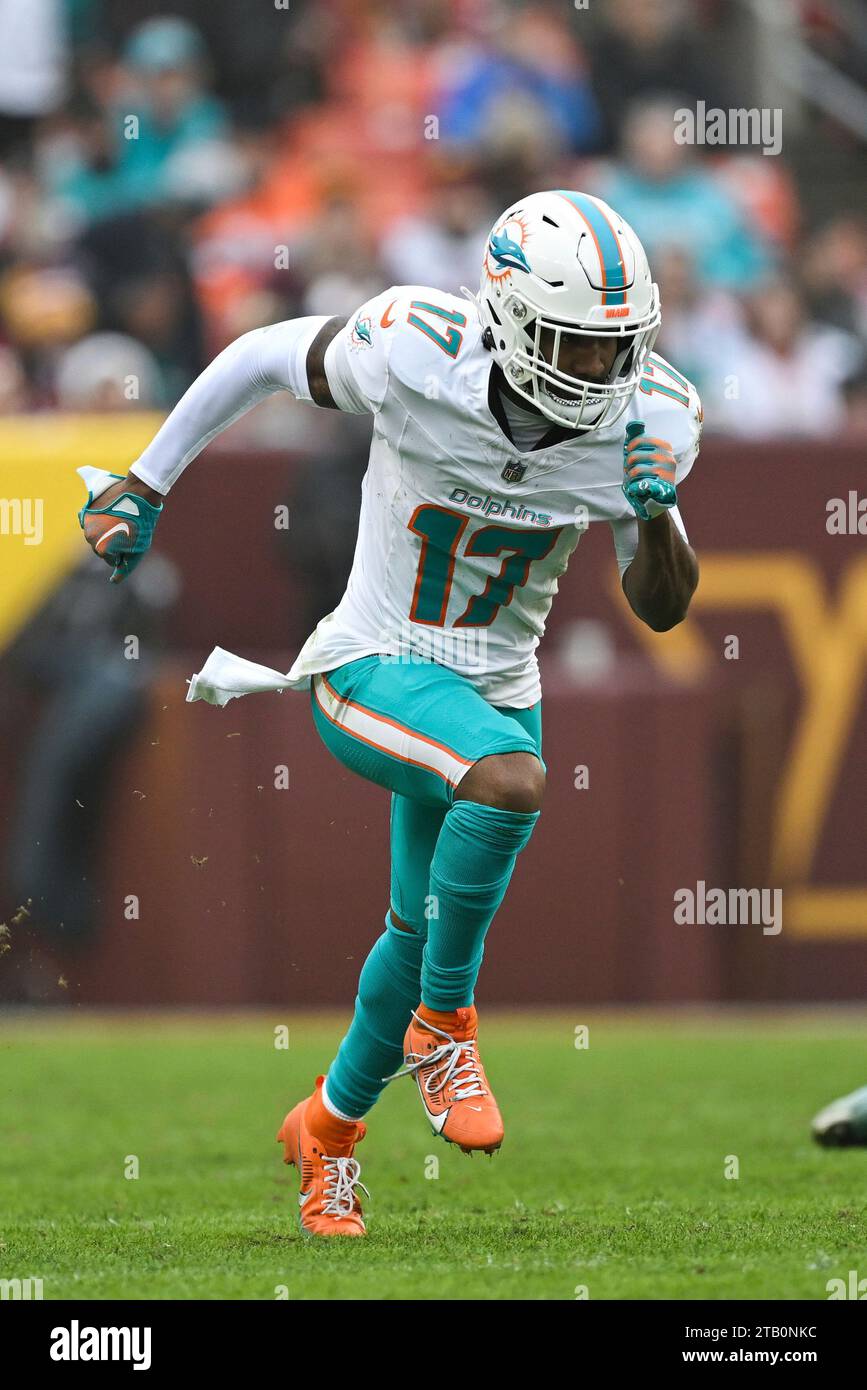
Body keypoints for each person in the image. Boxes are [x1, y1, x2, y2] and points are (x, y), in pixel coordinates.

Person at [78, 190, 702, 1237]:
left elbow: (664, 605)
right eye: (572, 345)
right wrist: (147, 480)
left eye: (614, 347)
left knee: (414, 933)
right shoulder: (419, 348)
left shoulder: (656, 416)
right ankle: (447, 1028)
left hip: (498, 689)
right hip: (373, 660)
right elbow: (262, 355)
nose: (599, 372)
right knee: (509, 785)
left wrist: (659, 514)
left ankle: (326, 1133)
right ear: (505, 317)